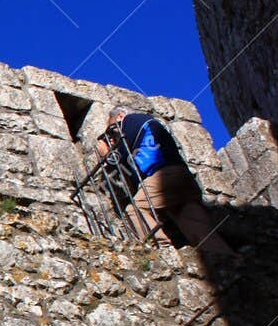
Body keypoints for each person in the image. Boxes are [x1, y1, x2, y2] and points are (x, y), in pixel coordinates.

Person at [97, 107, 235, 260]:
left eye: (112, 129)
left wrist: (107, 154)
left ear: (120, 116)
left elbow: (121, 158)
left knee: (135, 209)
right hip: (181, 175)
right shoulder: (147, 126)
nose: (114, 134)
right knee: (193, 222)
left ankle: (161, 251)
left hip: (163, 175)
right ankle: (225, 258)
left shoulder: (131, 121)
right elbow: (131, 162)